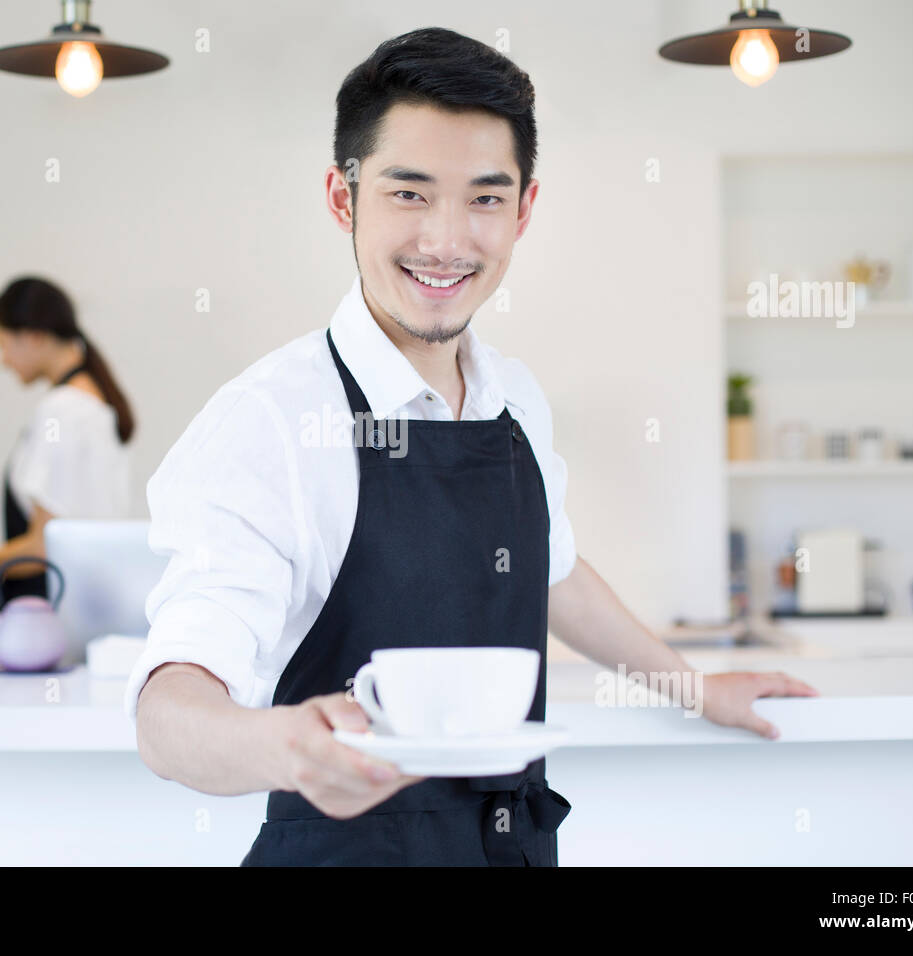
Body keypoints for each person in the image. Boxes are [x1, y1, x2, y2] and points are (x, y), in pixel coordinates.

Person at [126, 27, 817, 866]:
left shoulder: (513, 397)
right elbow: (169, 714)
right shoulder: (272, 419)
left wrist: (693, 686)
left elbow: (553, 571)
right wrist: (286, 748)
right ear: (344, 199)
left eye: (485, 198)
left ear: (524, 210)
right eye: (408, 194)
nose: (448, 242)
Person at [0, 277, 135, 605]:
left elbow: (43, 546)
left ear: (34, 337)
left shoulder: (62, 411)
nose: (2, 360)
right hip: (93, 601)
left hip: (53, 612)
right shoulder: (93, 405)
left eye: (2, 344)